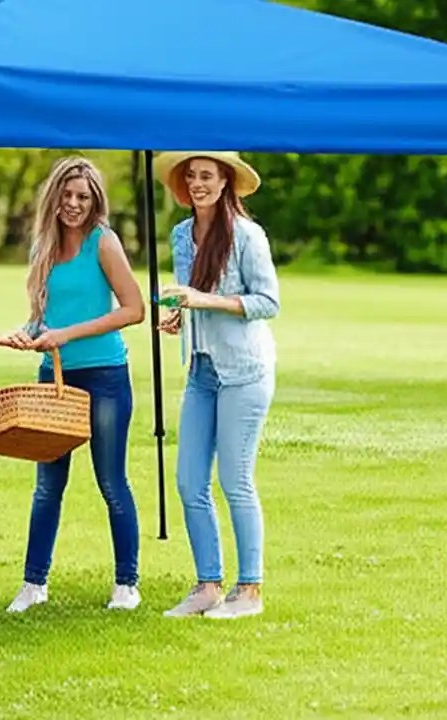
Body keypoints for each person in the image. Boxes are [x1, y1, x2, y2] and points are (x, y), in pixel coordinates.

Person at [0, 156, 146, 614]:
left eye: (83, 196)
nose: (74, 204)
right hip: (55, 375)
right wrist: (28, 332)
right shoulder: (43, 246)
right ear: (54, 197)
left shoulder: (104, 243)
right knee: (47, 486)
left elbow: (133, 309)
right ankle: (33, 584)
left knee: (111, 482)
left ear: (95, 200)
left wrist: (66, 334)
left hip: (103, 376)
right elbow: (46, 316)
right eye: (67, 195)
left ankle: (127, 584)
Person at [153, 151, 280, 619]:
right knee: (189, 482)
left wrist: (202, 299)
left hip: (245, 372)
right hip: (202, 370)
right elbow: (196, 299)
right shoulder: (182, 236)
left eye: (206, 176)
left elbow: (268, 301)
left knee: (235, 479)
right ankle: (208, 585)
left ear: (226, 182)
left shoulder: (248, 236)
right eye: (191, 177)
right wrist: (180, 316)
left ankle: (249, 592)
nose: (197, 183)